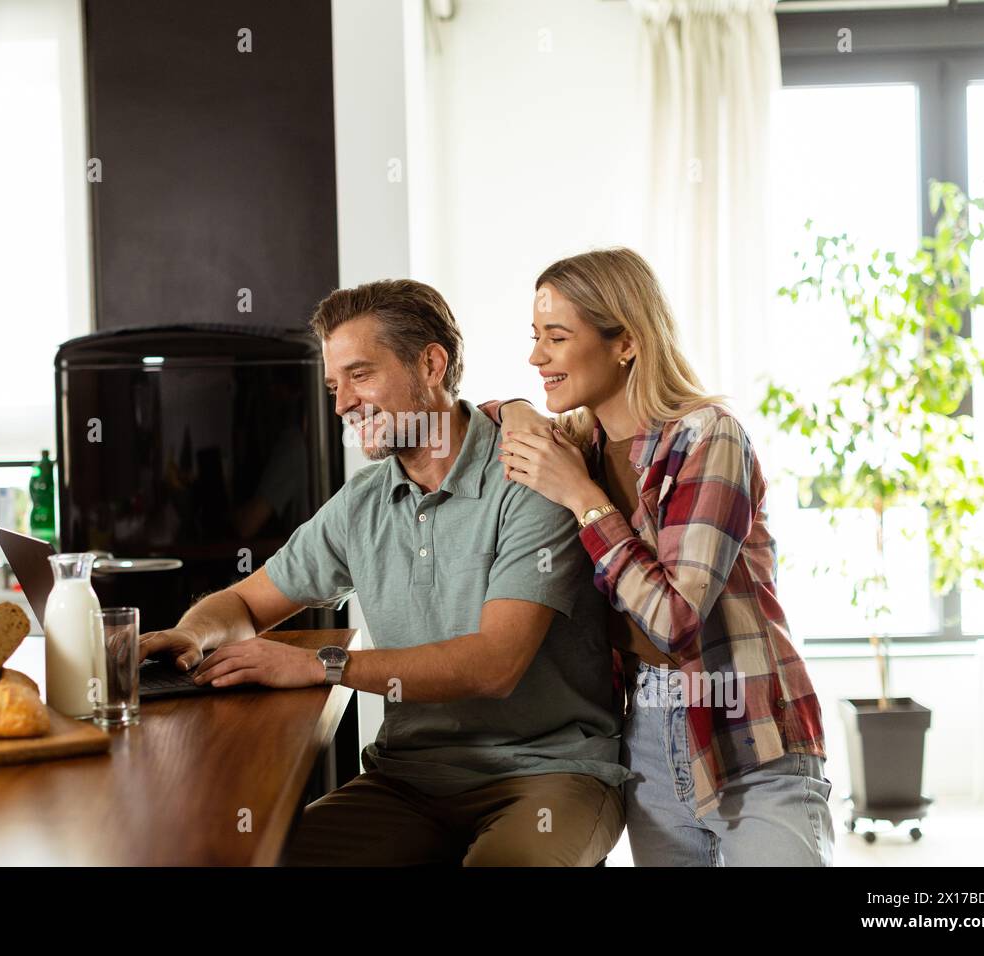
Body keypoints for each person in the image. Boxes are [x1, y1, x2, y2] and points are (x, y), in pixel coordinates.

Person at [141, 278, 627, 866]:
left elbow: (495, 665)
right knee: (263, 858)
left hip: (548, 774)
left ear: (431, 364)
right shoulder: (364, 502)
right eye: (333, 384)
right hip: (412, 780)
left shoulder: (531, 477)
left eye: (361, 375)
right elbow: (245, 603)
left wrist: (321, 665)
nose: (342, 402)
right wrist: (193, 634)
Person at [493, 248, 833, 866]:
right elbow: (484, 416)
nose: (536, 356)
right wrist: (516, 409)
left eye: (557, 338)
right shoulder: (581, 440)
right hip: (645, 734)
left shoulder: (708, 436)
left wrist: (584, 499)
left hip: (745, 727)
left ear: (624, 341)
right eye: (535, 337)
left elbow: (675, 620)